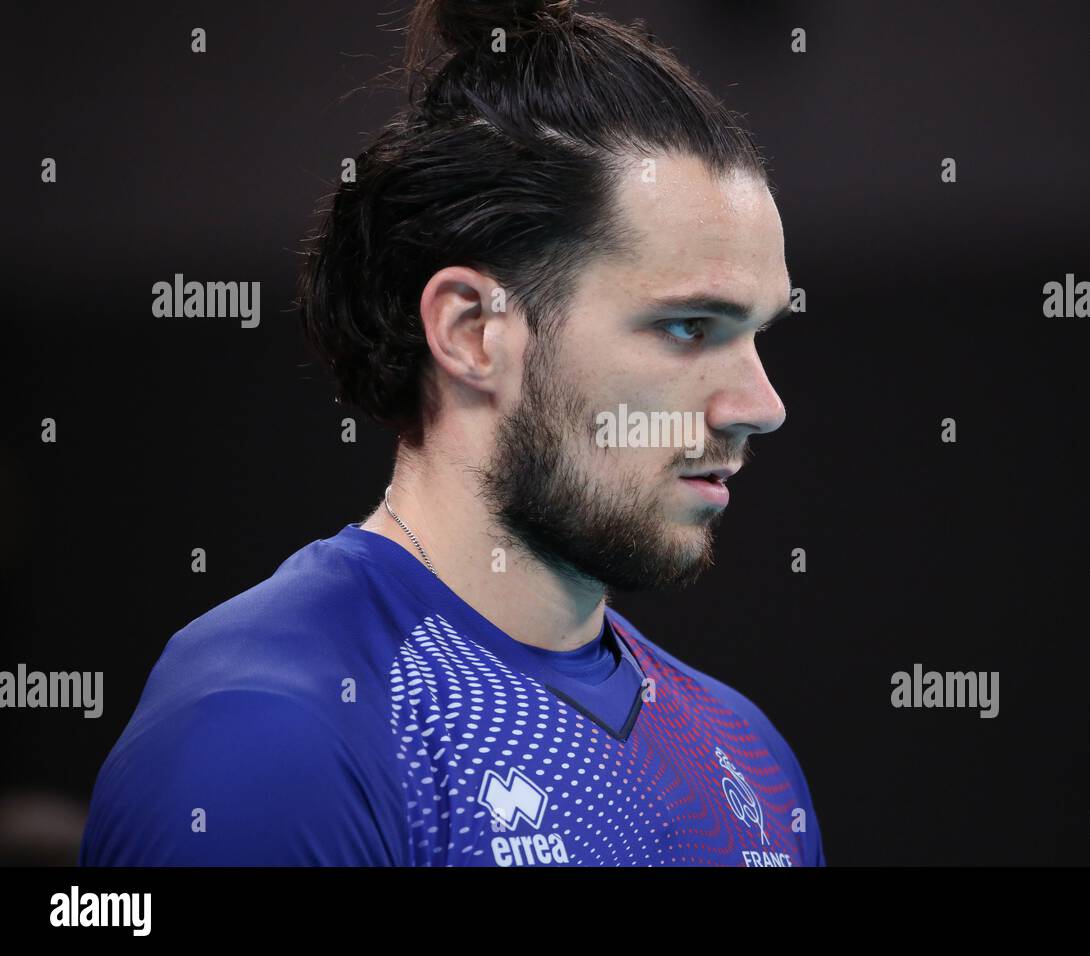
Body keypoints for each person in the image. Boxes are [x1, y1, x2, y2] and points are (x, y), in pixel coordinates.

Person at [80, 0, 825, 867]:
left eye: (758, 333)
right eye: (691, 328)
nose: (760, 403)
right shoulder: (268, 734)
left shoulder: (752, 763)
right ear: (474, 332)